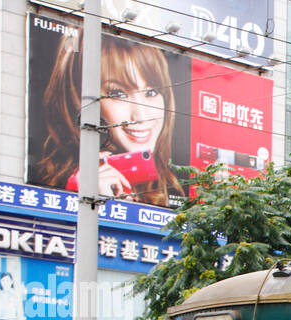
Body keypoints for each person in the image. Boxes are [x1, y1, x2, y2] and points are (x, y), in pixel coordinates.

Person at [33, 33, 182, 207]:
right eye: (118, 94)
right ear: (78, 98)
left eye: (151, 92)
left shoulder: (175, 187)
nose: (141, 116)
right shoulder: (55, 184)